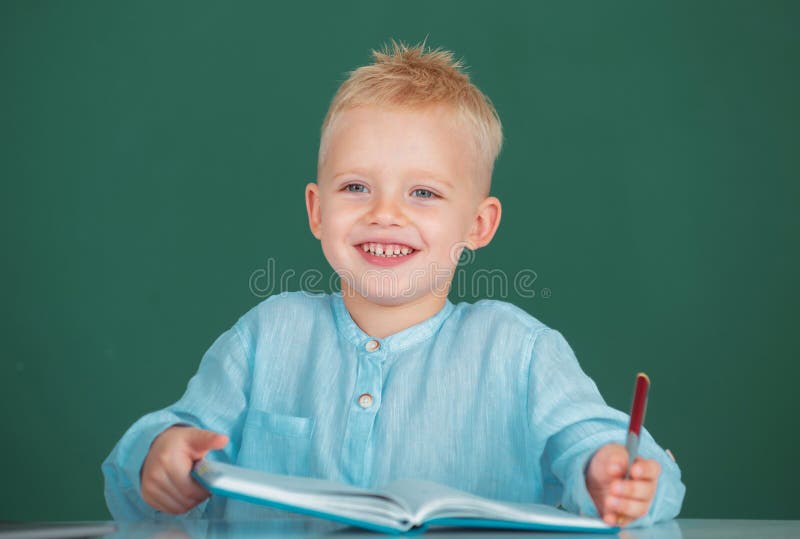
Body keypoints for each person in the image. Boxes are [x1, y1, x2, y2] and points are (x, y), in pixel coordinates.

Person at [102, 39, 685, 527]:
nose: (386, 214)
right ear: (316, 211)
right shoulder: (267, 336)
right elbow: (164, 448)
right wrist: (158, 457)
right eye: (356, 187)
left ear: (478, 225)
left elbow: (619, 457)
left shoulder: (520, 351)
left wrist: (612, 476)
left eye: (423, 193)